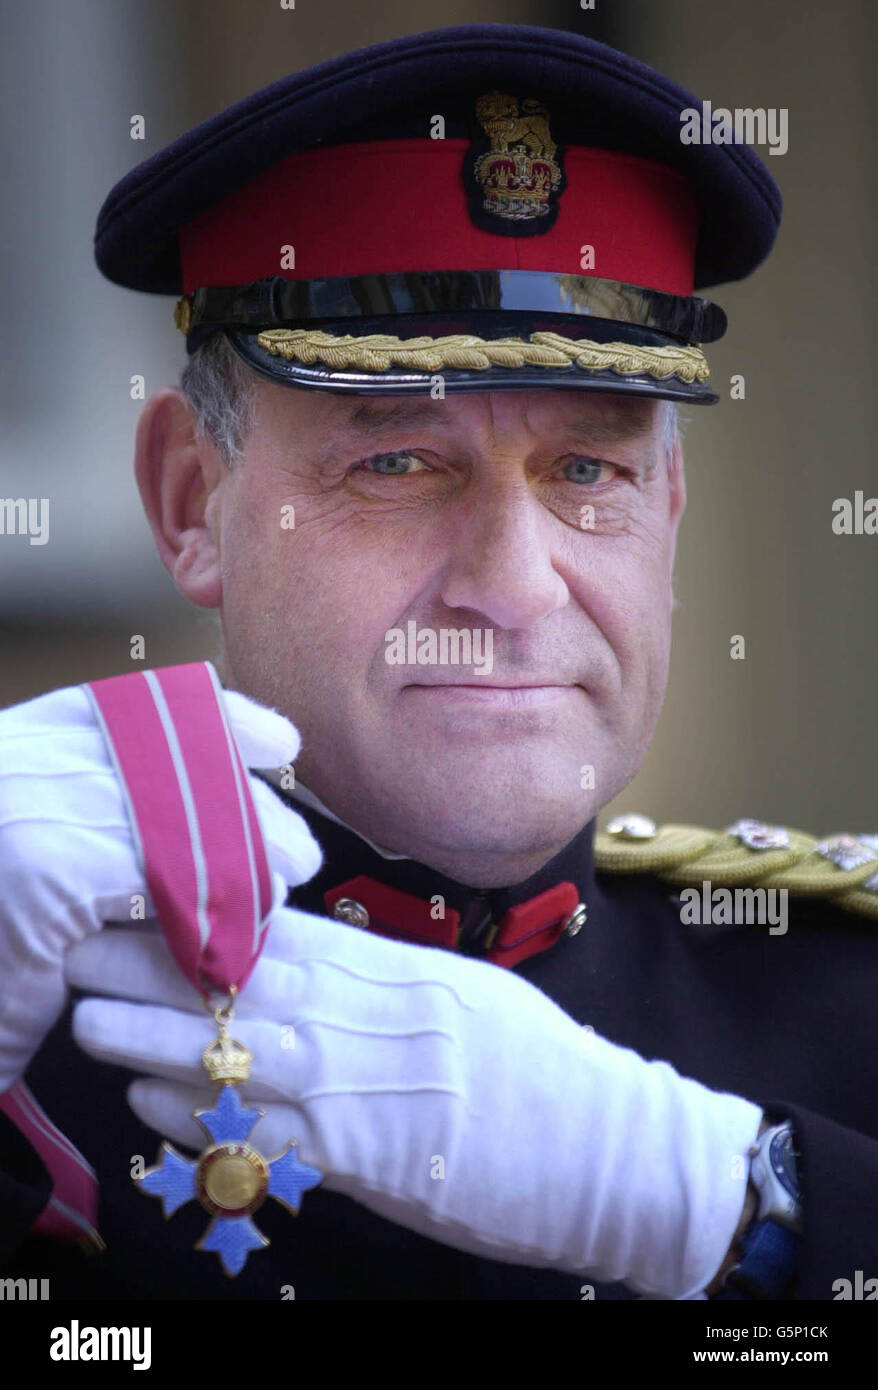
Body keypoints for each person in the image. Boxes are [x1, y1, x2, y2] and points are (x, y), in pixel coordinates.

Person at [2, 23, 877, 1303]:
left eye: (589, 470)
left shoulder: (841, 996)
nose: (516, 587)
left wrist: (745, 1208)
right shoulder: (33, 1023)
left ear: (668, 506)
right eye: (397, 464)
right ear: (193, 500)